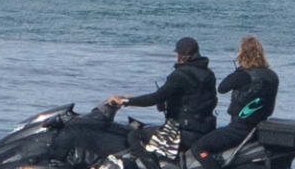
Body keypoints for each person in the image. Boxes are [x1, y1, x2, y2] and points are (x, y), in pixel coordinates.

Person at [187, 33, 281, 162]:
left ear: (242, 54)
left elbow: (222, 88)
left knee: (198, 148)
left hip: (239, 129)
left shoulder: (243, 75)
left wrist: (239, 70)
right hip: (258, 128)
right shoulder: (272, 75)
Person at [104, 36, 220, 139]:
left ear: (180, 55)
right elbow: (196, 99)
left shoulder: (180, 75)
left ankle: (149, 158)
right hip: (206, 128)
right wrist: (166, 102)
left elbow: (155, 98)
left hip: (184, 130)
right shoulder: (209, 73)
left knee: (135, 136)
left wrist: (126, 101)